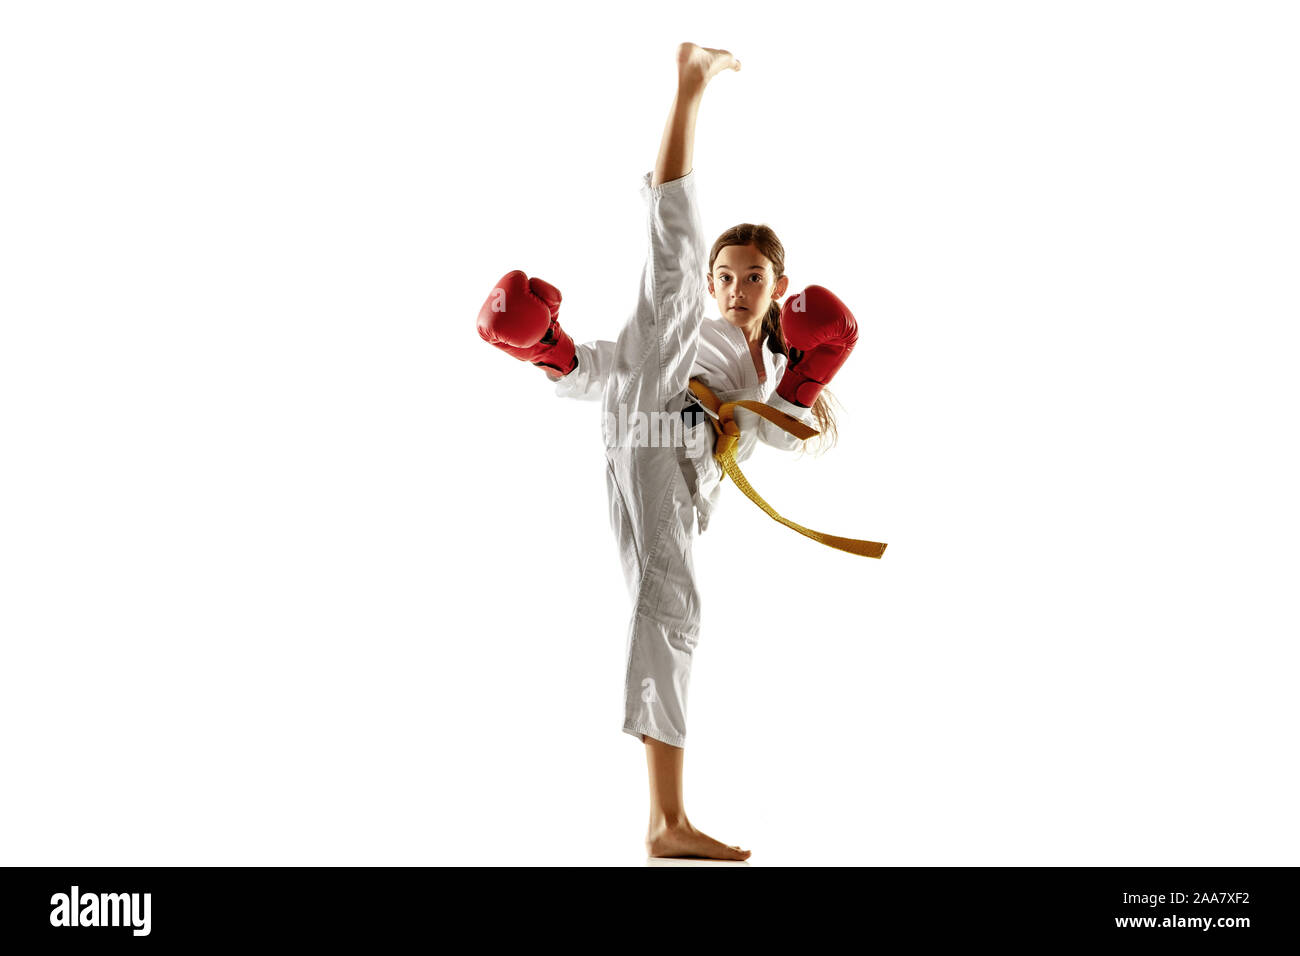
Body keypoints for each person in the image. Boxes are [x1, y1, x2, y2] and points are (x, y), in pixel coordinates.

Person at [477, 43, 858, 861]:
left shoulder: (773, 366)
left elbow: (777, 440)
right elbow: (634, 362)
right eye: (727, 275)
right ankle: (689, 82)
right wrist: (571, 361)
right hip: (652, 411)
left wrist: (805, 379)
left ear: (778, 286)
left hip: (661, 459)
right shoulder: (705, 328)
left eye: (752, 277)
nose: (735, 288)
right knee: (671, 253)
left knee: (670, 610)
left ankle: (663, 820)